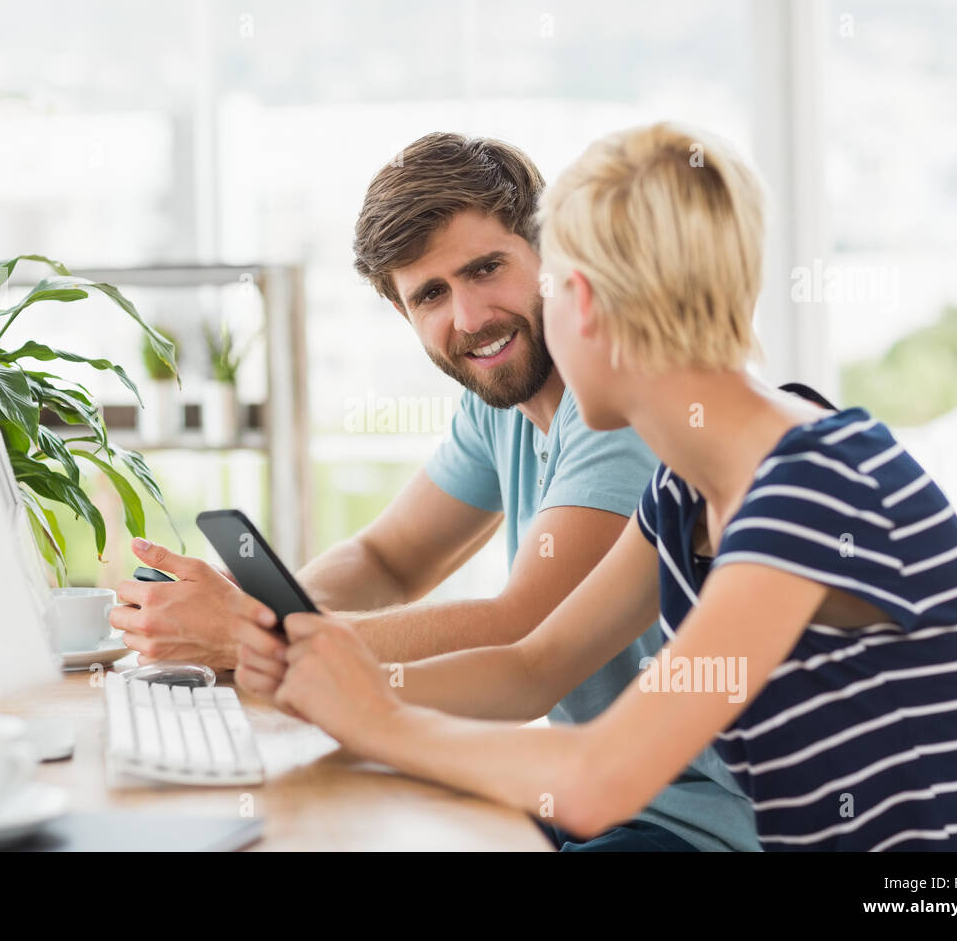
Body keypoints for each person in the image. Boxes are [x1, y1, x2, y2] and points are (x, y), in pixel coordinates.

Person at [232, 122, 957, 851]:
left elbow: (598, 782)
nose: (486, 321)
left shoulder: (810, 486)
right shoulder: (689, 486)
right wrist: (316, 683)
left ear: (576, 301)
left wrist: (375, 715)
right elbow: (530, 665)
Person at [113, 131, 758, 851]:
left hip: (692, 821)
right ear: (402, 312)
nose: (471, 317)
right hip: (591, 793)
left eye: (487, 268)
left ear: (554, 256)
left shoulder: (628, 413)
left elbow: (525, 640)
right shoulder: (503, 404)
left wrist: (257, 637)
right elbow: (390, 559)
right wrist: (258, 613)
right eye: (431, 295)